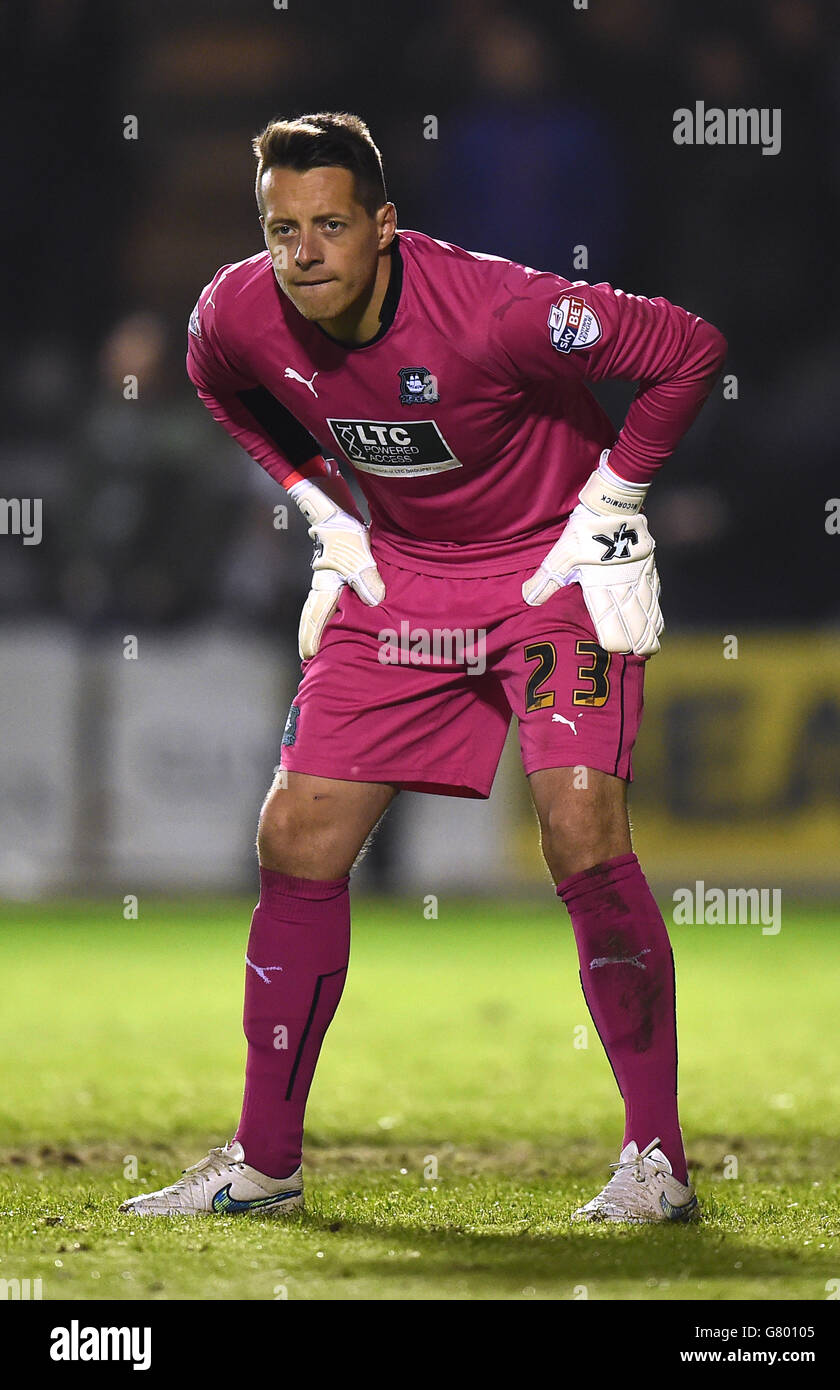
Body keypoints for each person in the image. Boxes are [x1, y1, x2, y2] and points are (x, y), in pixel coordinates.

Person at [121, 111, 725, 1224]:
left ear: (385, 226)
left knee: (583, 831)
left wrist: (615, 500)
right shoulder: (236, 311)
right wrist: (321, 511)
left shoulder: (502, 309)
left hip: (549, 577)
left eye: (331, 226)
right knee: (295, 835)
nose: (302, 254)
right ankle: (264, 1167)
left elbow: (689, 348)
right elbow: (215, 381)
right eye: (280, 228)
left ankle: (656, 1162)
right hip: (399, 579)